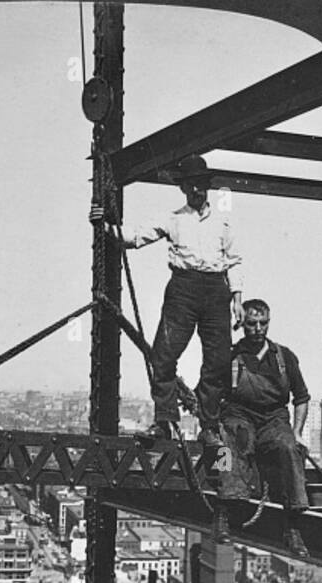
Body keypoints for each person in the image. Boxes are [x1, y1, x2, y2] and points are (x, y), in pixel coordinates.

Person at [90, 154, 243, 447]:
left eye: (201, 184)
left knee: (218, 361)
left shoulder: (224, 223)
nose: (196, 190)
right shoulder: (173, 219)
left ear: (207, 186)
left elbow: (234, 261)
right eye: (191, 185)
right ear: (183, 188)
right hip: (183, 289)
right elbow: (135, 237)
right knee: (163, 354)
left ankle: (209, 426)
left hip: (216, 290)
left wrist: (237, 298)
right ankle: (165, 421)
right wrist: (104, 225)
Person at [216, 300, 312, 558]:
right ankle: (223, 511)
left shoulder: (284, 357)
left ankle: (292, 525)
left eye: (263, 323)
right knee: (228, 445)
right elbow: (213, 392)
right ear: (242, 324)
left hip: (274, 419)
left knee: (288, 447)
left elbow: (301, 398)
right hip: (239, 415)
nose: (258, 329)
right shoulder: (231, 356)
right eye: (251, 323)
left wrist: (297, 432)